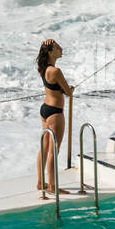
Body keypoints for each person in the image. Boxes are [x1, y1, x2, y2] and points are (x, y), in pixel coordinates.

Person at [36, 38, 73, 196]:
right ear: (51, 52)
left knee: (44, 148)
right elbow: (68, 92)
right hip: (55, 112)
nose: (61, 48)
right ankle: (52, 186)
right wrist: (70, 89)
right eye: (57, 47)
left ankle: (40, 182)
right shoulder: (56, 71)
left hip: (44, 110)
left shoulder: (43, 69)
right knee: (53, 151)